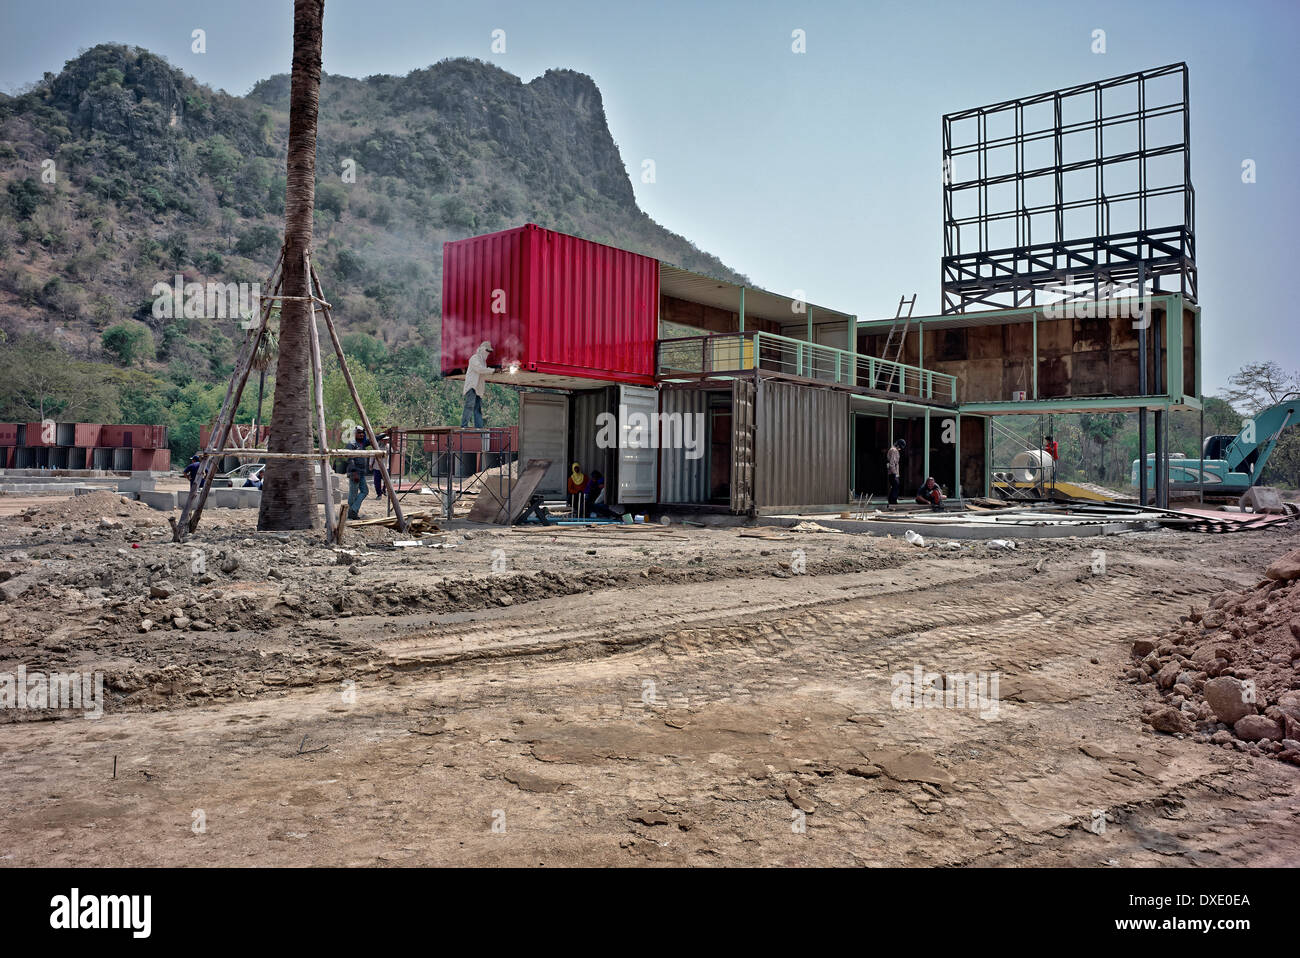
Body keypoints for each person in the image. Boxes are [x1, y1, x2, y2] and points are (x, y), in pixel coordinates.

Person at [461, 341, 495, 428]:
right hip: (472, 386)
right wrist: (491, 370)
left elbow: (483, 372)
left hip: (478, 389)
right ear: (482, 349)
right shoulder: (474, 358)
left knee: (478, 409)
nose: (488, 353)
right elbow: (480, 369)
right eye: (487, 351)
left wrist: (494, 372)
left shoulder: (484, 362)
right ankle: (464, 426)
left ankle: (479, 427)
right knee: (469, 406)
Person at [345, 427, 370, 520]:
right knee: (353, 493)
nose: (361, 434)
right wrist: (354, 472)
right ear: (354, 434)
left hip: (362, 472)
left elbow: (372, 439)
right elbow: (350, 459)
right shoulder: (351, 444)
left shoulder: (362, 443)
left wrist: (385, 434)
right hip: (355, 472)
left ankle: (353, 510)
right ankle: (352, 513)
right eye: (359, 433)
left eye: (362, 433)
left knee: (365, 491)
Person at [886, 438, 905, 508]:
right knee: (895, 486)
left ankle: (892, 500)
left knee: (895, 486)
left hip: (892, 472)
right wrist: (895, 473)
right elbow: (892, 463)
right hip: (893, 472)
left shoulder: (893, 450)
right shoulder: (894, 451)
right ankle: (893, 501)